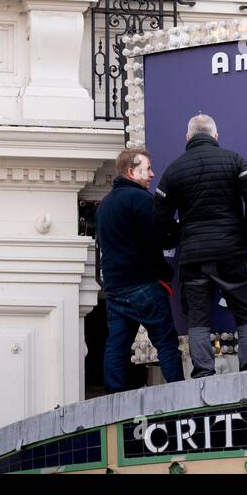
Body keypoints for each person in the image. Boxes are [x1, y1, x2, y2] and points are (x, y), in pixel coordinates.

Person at [153, 114, 247, 377]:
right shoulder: (235, 160)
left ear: (188, 138)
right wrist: (242, 234)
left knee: (198, 317)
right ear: (215, 136)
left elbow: (159, 216)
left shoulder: (173, 170)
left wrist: (178, 236)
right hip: (231, 252)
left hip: (193, 256)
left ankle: (203, 373)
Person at [96, 147, 183, 393]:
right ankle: (179, 394)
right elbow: (156, 238)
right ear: (132, 171)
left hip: (115, 288)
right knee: (165, 343)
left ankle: (112, 398)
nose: (152, 174)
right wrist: (165, 270)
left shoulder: (104, 206)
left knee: (117, 345)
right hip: (144, 284)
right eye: (147, 169)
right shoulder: (142, 200)